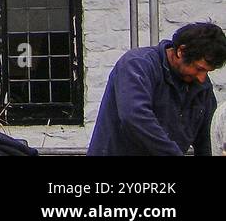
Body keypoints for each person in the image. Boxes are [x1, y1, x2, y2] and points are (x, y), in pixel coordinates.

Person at [87, 21, 226, 156]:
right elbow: (135, 117)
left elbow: (206, 138)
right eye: (199, 68)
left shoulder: (201, 86)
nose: (202, 78)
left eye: (207, 71)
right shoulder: (137, 64)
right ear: (181, 51)